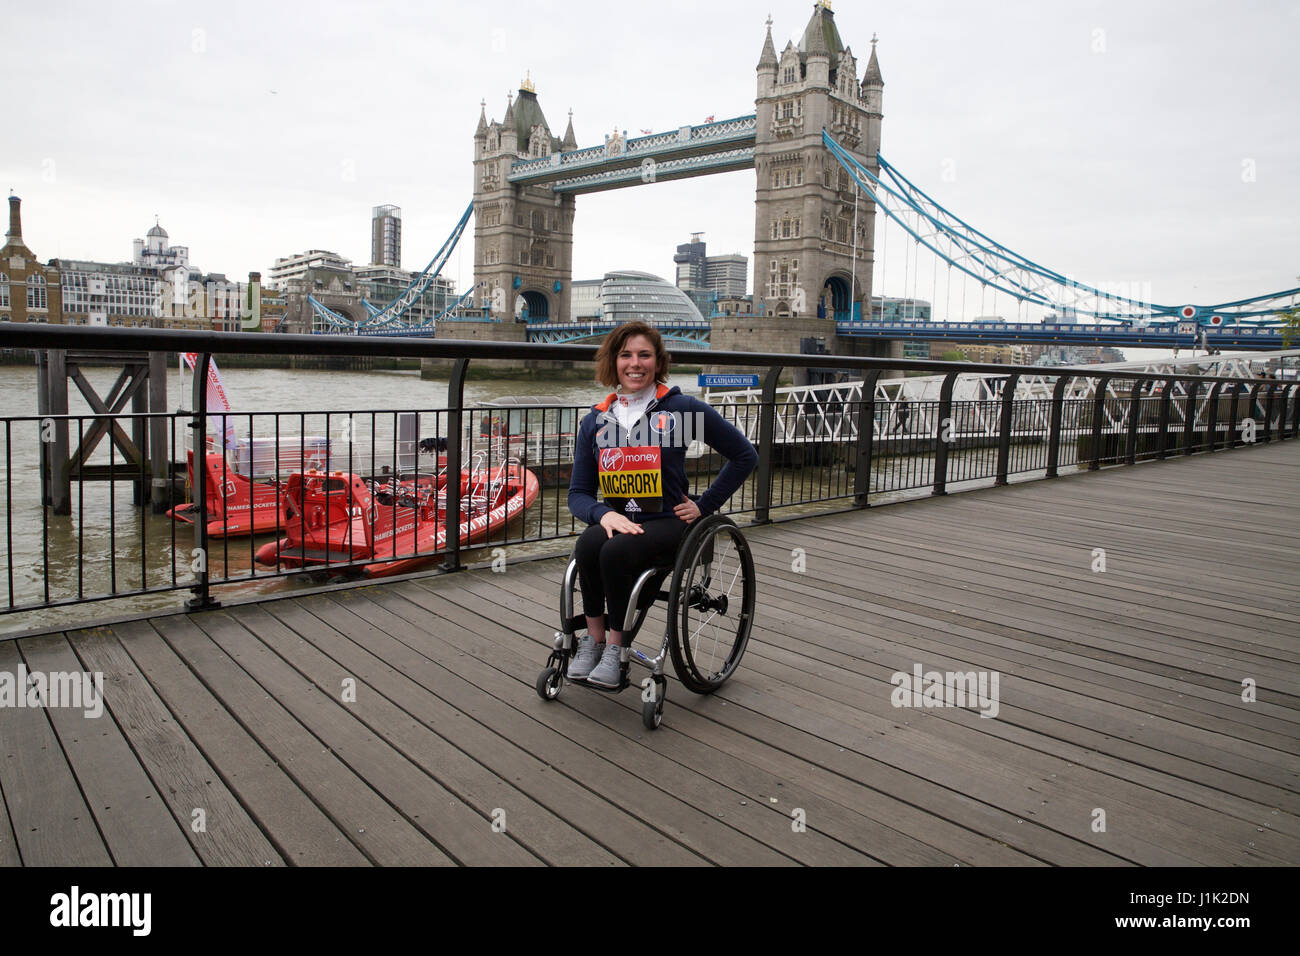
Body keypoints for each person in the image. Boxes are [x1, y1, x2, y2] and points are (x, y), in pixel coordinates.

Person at [567, 322, 757, 688]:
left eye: (644, 355)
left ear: (658, 362)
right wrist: (602, 513)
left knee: (615, 553)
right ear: (613, 361)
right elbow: (578, 493)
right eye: (626, 355)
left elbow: (744, 455)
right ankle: (593, 641)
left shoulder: (681, 410)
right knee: (588, 544)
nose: (634, 364)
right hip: (618, 519)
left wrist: (705, 504)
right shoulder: (596, 420)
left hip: (668, 521)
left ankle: (617, 651)